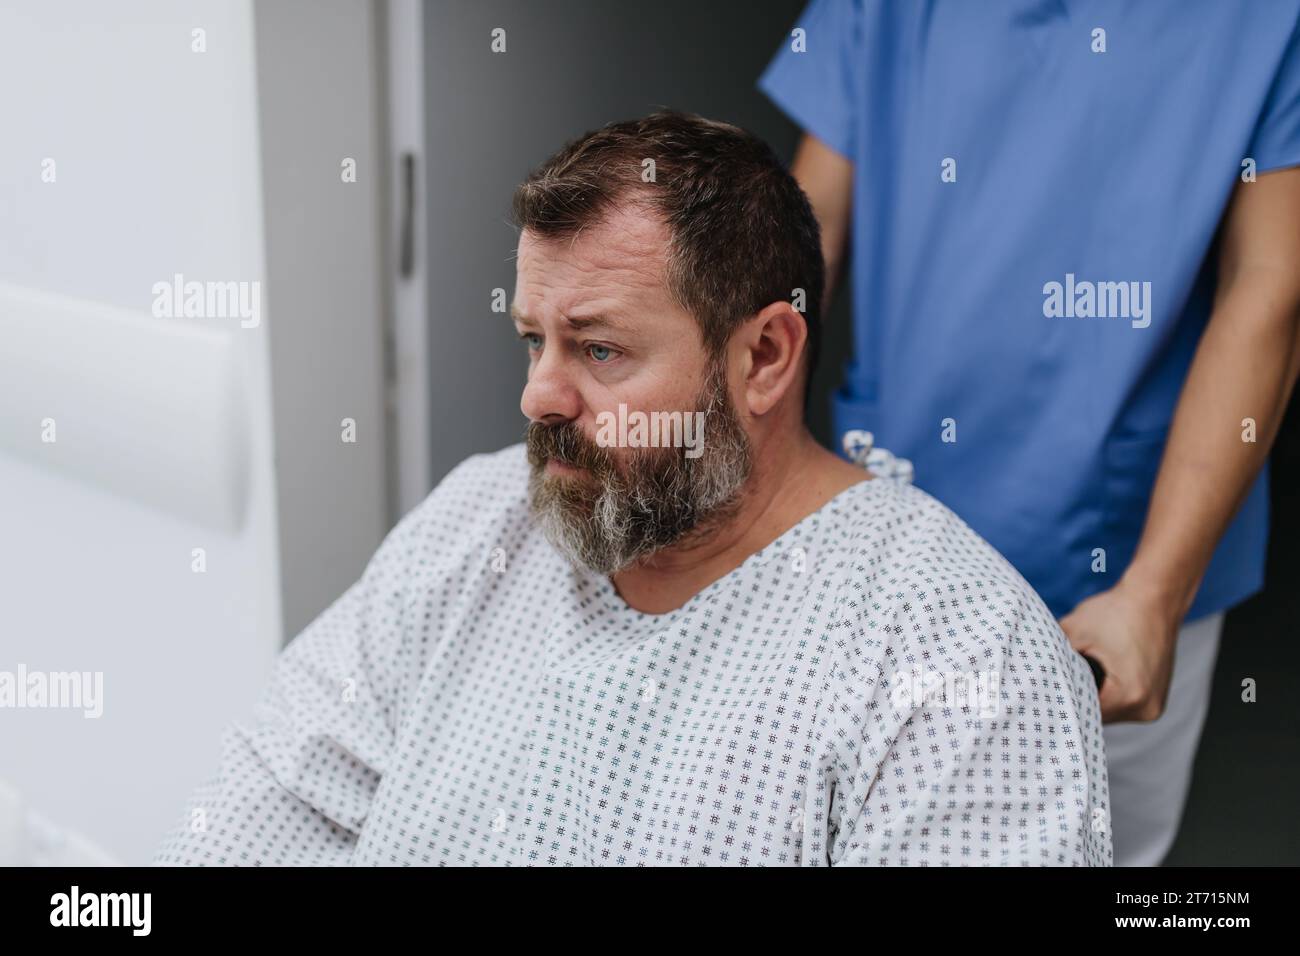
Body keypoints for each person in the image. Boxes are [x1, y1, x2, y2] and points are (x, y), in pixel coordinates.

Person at [154, 111, 1109, 866]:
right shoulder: (475, 527)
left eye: (600, 349)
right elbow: (261, 814)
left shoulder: (956, 657)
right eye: (535, 339)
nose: (538, 394)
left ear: (765, 356)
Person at [757, 0, 1300, 865]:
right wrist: (728, 462)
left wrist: (1155, 597)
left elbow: (1270, 285)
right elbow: (799, 240)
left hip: (1120, 569)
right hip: (888, 521)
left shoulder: (1263, 20)